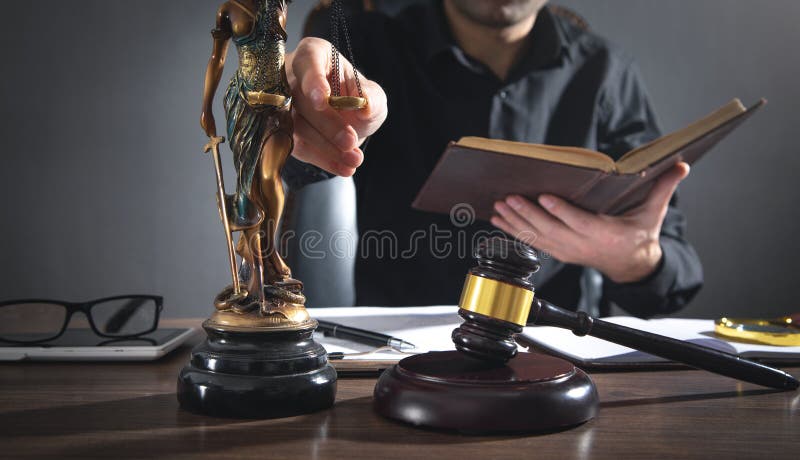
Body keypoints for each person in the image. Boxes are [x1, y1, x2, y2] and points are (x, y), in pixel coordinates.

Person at [281, 0, 703, 317]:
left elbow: (674, 274)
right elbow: (297, 167)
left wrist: (634, 259)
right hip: (394, 357)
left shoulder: (606, 70)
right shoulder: (364, 41)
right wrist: (289, 111)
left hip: (559, 356)